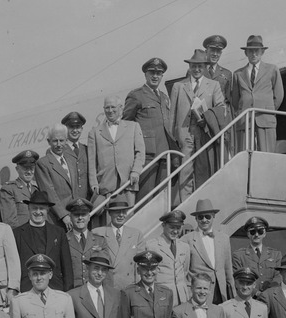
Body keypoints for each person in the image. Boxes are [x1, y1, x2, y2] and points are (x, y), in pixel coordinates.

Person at [171, 49, 228, 199]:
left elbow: (222, 108)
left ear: (204, 68)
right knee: (185, 171)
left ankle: (203, 203)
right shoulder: (178, 86)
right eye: (194, 66)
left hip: (204, 134)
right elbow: (172, 117)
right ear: (189, 67)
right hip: (185, 135)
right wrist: (174, 139)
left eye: (200, 66)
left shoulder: (214, 85)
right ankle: (185, 205)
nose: (196, 69)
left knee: (204, 169)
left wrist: (207, 117)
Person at [123, 57, 177, 204]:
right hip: (147, 155)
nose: (155, 76)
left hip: (165, 153)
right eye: (152, 72)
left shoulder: (165, 97)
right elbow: (126, 125)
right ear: (145, 74)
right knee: (145, 197)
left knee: (163, 198)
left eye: (158, 73)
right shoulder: (136, 95)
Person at [86, 95, 145, 208]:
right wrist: (93, 182)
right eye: (107, 108)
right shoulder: (94, 132)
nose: (110, 110)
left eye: (113, 107)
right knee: (110, 221)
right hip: (106, 184)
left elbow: (140, 152)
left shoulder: (133, 127)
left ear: (121, 108)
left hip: (128, 182)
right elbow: (92, 161)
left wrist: (136, 171)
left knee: (128, 217)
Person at [230, 35, 284, 154]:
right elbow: (235, 100)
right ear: (246, 53)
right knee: (244, 156)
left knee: (267, 155)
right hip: (245, 120)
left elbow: (279, 96)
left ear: (262, 52)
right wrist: (243, 109)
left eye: (257, 51)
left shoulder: (272, 69)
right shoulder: (238, 74)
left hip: (265, 119)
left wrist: (268, 110)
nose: (254, 54)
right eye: (250, 51)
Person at [12, 190, 74, 293]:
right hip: (27, 290)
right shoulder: (17, 234)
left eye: (42, 209)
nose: (38, 212)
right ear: (28, 209)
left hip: (55, 289)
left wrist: (68, 292)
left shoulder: (59, 232)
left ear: (47, 210)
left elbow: (67, 266)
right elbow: (14, 266)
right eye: (34, 208)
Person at [183, 199, 234, 305]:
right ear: (196, 219)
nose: (204, 220)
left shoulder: (224, 238)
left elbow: (228, 270)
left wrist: (233, 294)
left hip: (220, 292)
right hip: (199, 293)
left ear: (213, 216)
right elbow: (185, 272)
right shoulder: (186, 240)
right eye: (200, 217)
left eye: (208, 216)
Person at [35, 124, 81, 230]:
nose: (59, 144)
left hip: (75, 215)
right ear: (48, 141)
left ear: (66, 140)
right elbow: (49, 192)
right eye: (55, 141)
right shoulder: (43, 163)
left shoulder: (71, 160)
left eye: (62, 140)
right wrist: (63, 215)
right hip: (57, 218)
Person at [93, 198, 144, 291]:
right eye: (117, 212)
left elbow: (139, 264)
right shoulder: (98, 232)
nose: (121, 215)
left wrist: (138, 286)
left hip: (130, 286)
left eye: (124, 212)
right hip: (107, 286)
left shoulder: (136, 234)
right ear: (110, 213)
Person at [145, 209, 192, 305]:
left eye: (178, 228)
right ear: (163, 225)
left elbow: (185, 271)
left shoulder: (185, 247)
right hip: (161, 297)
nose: (175, 231)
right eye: (172, 227)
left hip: (182, 298)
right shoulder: (151, 246)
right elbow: (146, 274)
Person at [65, 198, 110, 289]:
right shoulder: (63, 240)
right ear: (70, 217)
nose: (80, 218)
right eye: (76, 215)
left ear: (89, 217)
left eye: (84, 214)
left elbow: (107, 271)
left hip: (94, 291)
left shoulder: (100, 241)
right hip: (71, 292)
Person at [231, 215, 282, 295]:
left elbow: (278, 276)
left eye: (260, 231)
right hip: (249, 297)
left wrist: (268, 293)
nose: (257, 235)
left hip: (271, 296)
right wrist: (256, 293)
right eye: (252, 232)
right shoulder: (239, 255)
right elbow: (237, 278)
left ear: (264, 233)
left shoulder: (275, 254)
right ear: (248, 234)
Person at [202, 34, 236, 156]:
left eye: (218, 51)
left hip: (220, 120)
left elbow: (228, 101)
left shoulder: (227, 74)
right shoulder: (197, 71)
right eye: (212, 50)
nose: (215, 54)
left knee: (222, 152)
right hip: (203, 119)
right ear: (206, 51)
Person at [0, 149, 41, 228]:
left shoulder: (36, 190)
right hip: (20, 236)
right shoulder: (9, 189)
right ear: (17, 169)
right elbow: (10, 221)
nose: (29, 172)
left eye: (31, 168)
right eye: (25, 168)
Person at [61, 110, 91, 197]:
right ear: (65, 129)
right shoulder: (60, 151)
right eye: (71, 127)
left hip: (86, 201)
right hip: (68, 201)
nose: (75, 130)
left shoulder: (86, 150)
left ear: (81, 129)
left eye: (77, 127)